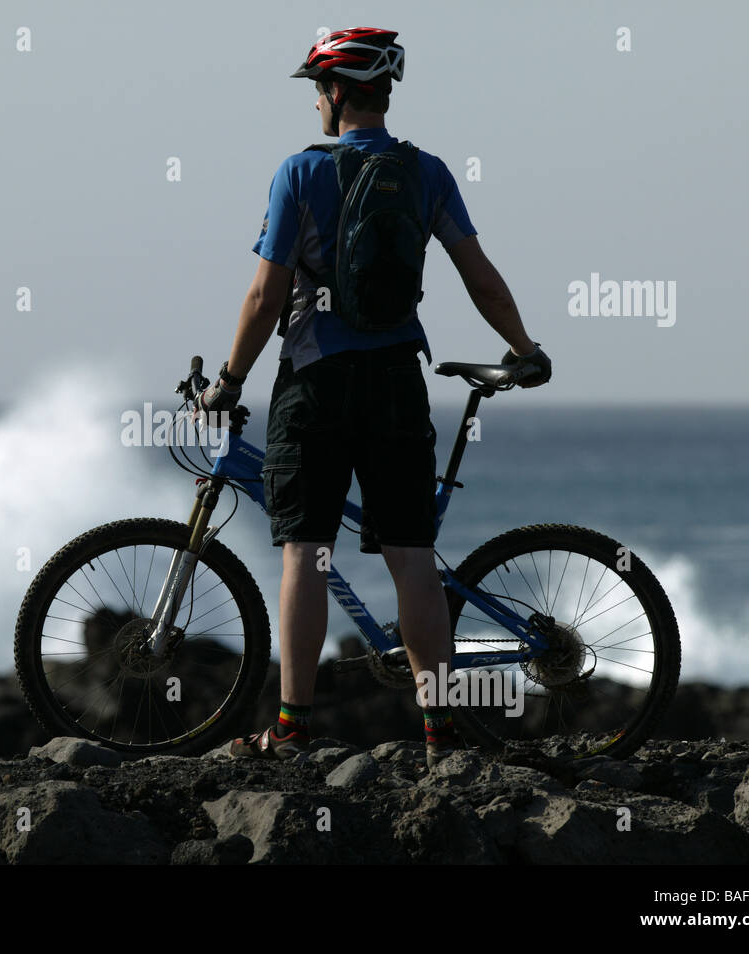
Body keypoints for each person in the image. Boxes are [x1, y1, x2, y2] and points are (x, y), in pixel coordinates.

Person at [195, 27, 551, 768]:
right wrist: (524, 348)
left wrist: (228, 381)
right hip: (396, 378)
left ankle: (292, 727)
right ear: (382, 93)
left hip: (316, 383)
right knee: (412, 556)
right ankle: (441, 731)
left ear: (334, 92)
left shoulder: (299, 173)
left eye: (317, 89)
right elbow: (479, 275)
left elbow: (266, 296)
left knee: (307, 553)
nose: (316, 103)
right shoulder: (427, 174)